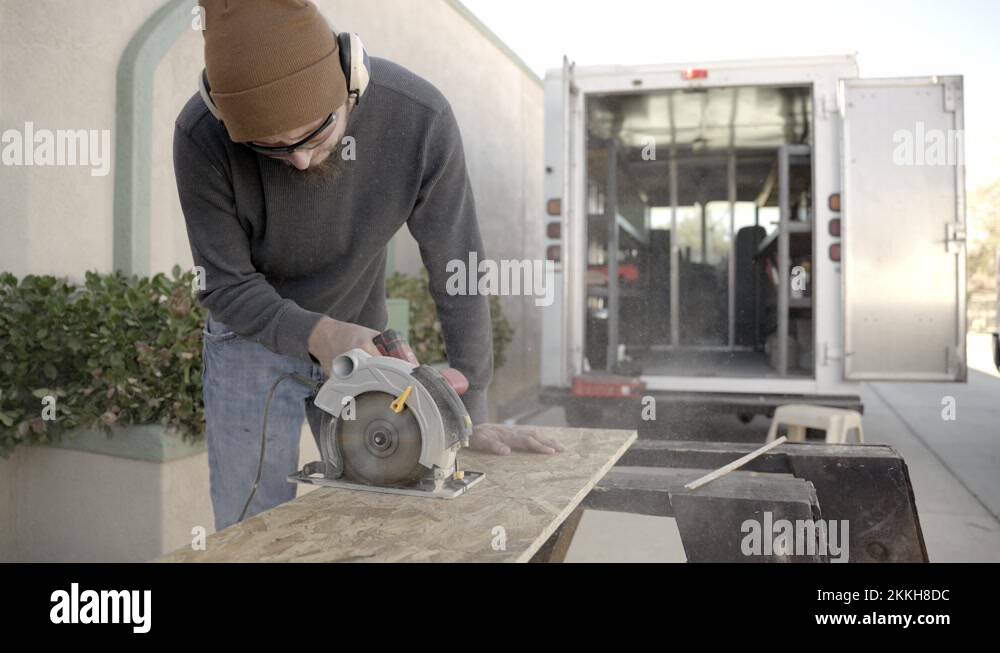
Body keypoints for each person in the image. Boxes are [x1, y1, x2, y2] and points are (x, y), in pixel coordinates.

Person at [174, 0, 561, 530]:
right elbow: (223, 285)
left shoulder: (420, 119)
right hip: (251, 340)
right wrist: (318, 332)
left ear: (350, 77)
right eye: (272, 148)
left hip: (359, 330)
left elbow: (458, 267)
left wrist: (474, 405)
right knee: (253, 523)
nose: (301, 160)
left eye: (315, 132)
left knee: (384, 504)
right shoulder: (201, 138)